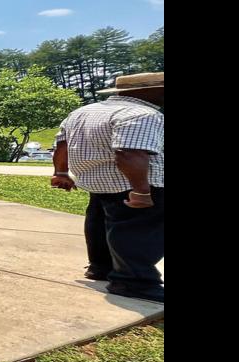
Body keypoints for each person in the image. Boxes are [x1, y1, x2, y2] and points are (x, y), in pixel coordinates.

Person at [51, 72, 164, 303]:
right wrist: (141, 191)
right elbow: (129, 152)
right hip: (132, 184)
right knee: (138, 230)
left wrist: (61, 172)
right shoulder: (142, 113)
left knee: (100, 223)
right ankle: (133, 282)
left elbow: (62, 145)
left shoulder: (83, 112)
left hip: (97, 182)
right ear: (149, 91)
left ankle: (101, 267)